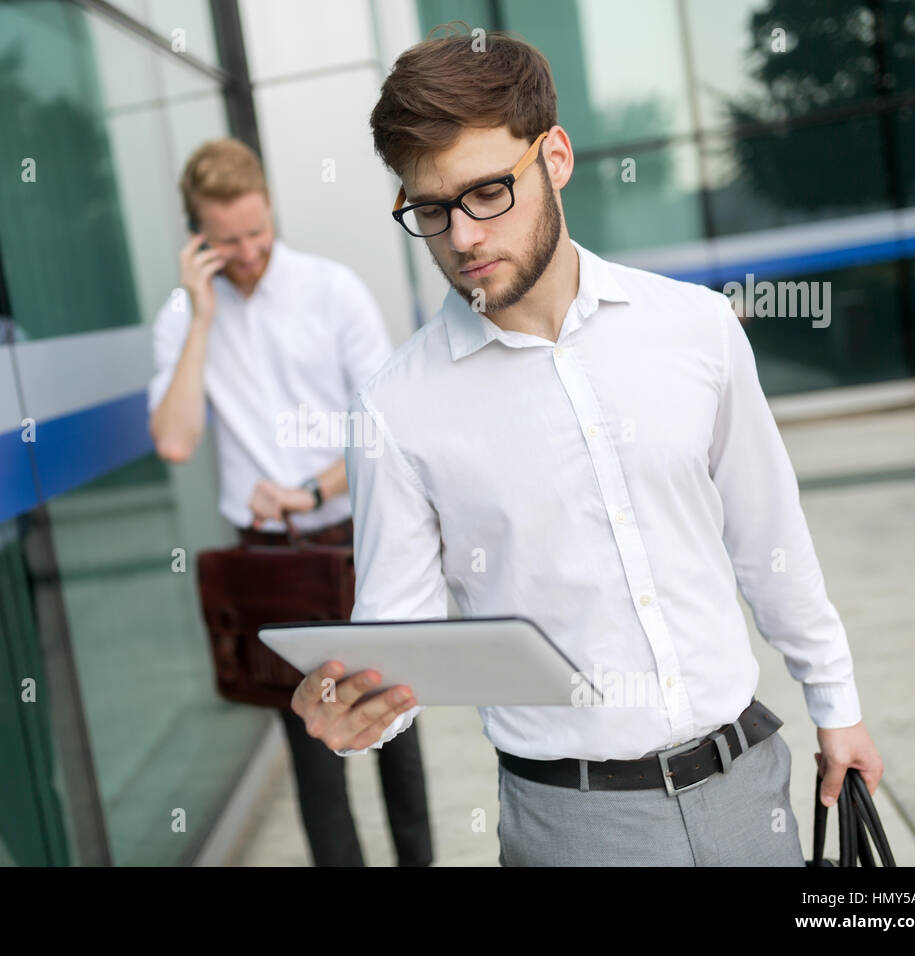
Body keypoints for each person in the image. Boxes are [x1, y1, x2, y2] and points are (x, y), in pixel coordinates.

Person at [291, 25, 884, 866]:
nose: (461, 238)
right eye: (430, 209)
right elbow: (397, 645)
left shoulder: (696, 328)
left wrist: (838, 704)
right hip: (572, 827)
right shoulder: (394, 411)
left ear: (555, 158)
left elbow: (770, 541)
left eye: (488, 192)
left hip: (751, 791)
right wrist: (353, 712)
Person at [147, 138, 433, 866]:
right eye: (226, 240)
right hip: (269, 562)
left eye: (256, 232)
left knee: (397, 721)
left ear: (270, 209)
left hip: (356, 536)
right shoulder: (184, 319)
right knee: (313, 747)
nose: (247, 251)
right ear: (196, 237)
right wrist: (203, 318)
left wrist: (309, 490)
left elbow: (383, 429)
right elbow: (175, 441)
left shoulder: (330, 290)